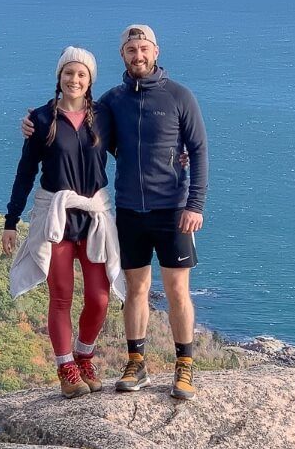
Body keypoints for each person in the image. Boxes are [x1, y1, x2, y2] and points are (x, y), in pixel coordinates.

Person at [22, 25, 208, 400]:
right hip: (127, 211)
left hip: (173, 211)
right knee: (135, 290)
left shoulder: (179, 96)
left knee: (177, 291)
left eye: (143, 48)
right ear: (122, 55)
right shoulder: (111, 103)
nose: (137, 55)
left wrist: (195, 204)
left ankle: (184, 367)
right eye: (130, 50)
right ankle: (136, 364)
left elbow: (199, 150)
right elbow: (80, 133)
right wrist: (34, 123)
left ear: (156, 51)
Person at [3, 46, 127, 399]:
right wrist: (11, 219)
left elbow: (129, 151)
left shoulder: (103, 116)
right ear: (59, 77)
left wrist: (172, 157)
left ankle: (84, 355)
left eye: (82, 74)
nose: (74, 79)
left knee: (99, 298)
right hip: (55, 215)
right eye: (69, 73)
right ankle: (66, 367)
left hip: (94, 216)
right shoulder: (42, 120)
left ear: (90, 81)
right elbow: (26, 172)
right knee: (61, 296)